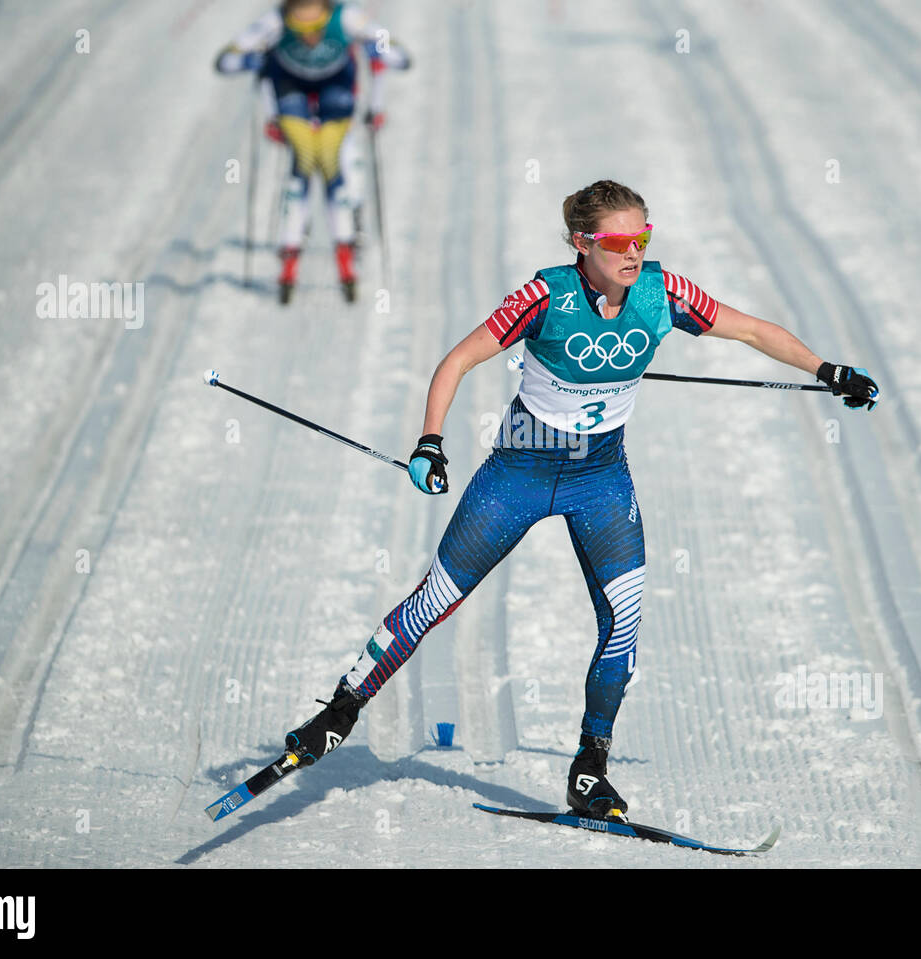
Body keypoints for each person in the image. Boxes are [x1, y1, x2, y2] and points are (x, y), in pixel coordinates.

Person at [285, 180, 879, 818]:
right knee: (438, 599)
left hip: (601, 476)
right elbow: (457, 360)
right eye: (621, 242)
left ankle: (590, 767)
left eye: (643, 238)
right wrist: (430, 441)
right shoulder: (543, 295)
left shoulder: (663, 292)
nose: (635, 253)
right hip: (521, 468)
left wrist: (827, 370)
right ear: (581, 243)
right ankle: (341, 710)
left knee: (625, 627)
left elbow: (752, 331)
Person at [214, 0, 409, 303]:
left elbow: (400, 57)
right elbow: (225, 61)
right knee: (305, 159)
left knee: (330, 160)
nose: (309, 35)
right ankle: (292, 254)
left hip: (336, 91)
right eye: (300, 26)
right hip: (291, 91)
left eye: (316, 26)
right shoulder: (275, 21)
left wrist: (377, 50)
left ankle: (343, 253)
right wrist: (250, 61)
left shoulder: (348, 18)